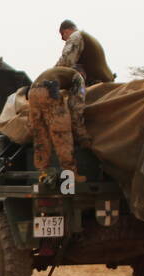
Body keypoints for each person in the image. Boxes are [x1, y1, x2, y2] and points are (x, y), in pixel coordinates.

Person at [27, 21, 117, 185]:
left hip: (34, 90)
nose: (63, 40)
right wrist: (82, 136)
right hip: (50, 90)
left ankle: (43, 172)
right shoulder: (77, 79)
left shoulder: (76, 39)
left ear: (66, 31)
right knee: (62, 134)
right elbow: (77, 108)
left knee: (41, 135)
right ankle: (71, 174)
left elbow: (65, 61)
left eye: (62, 36)